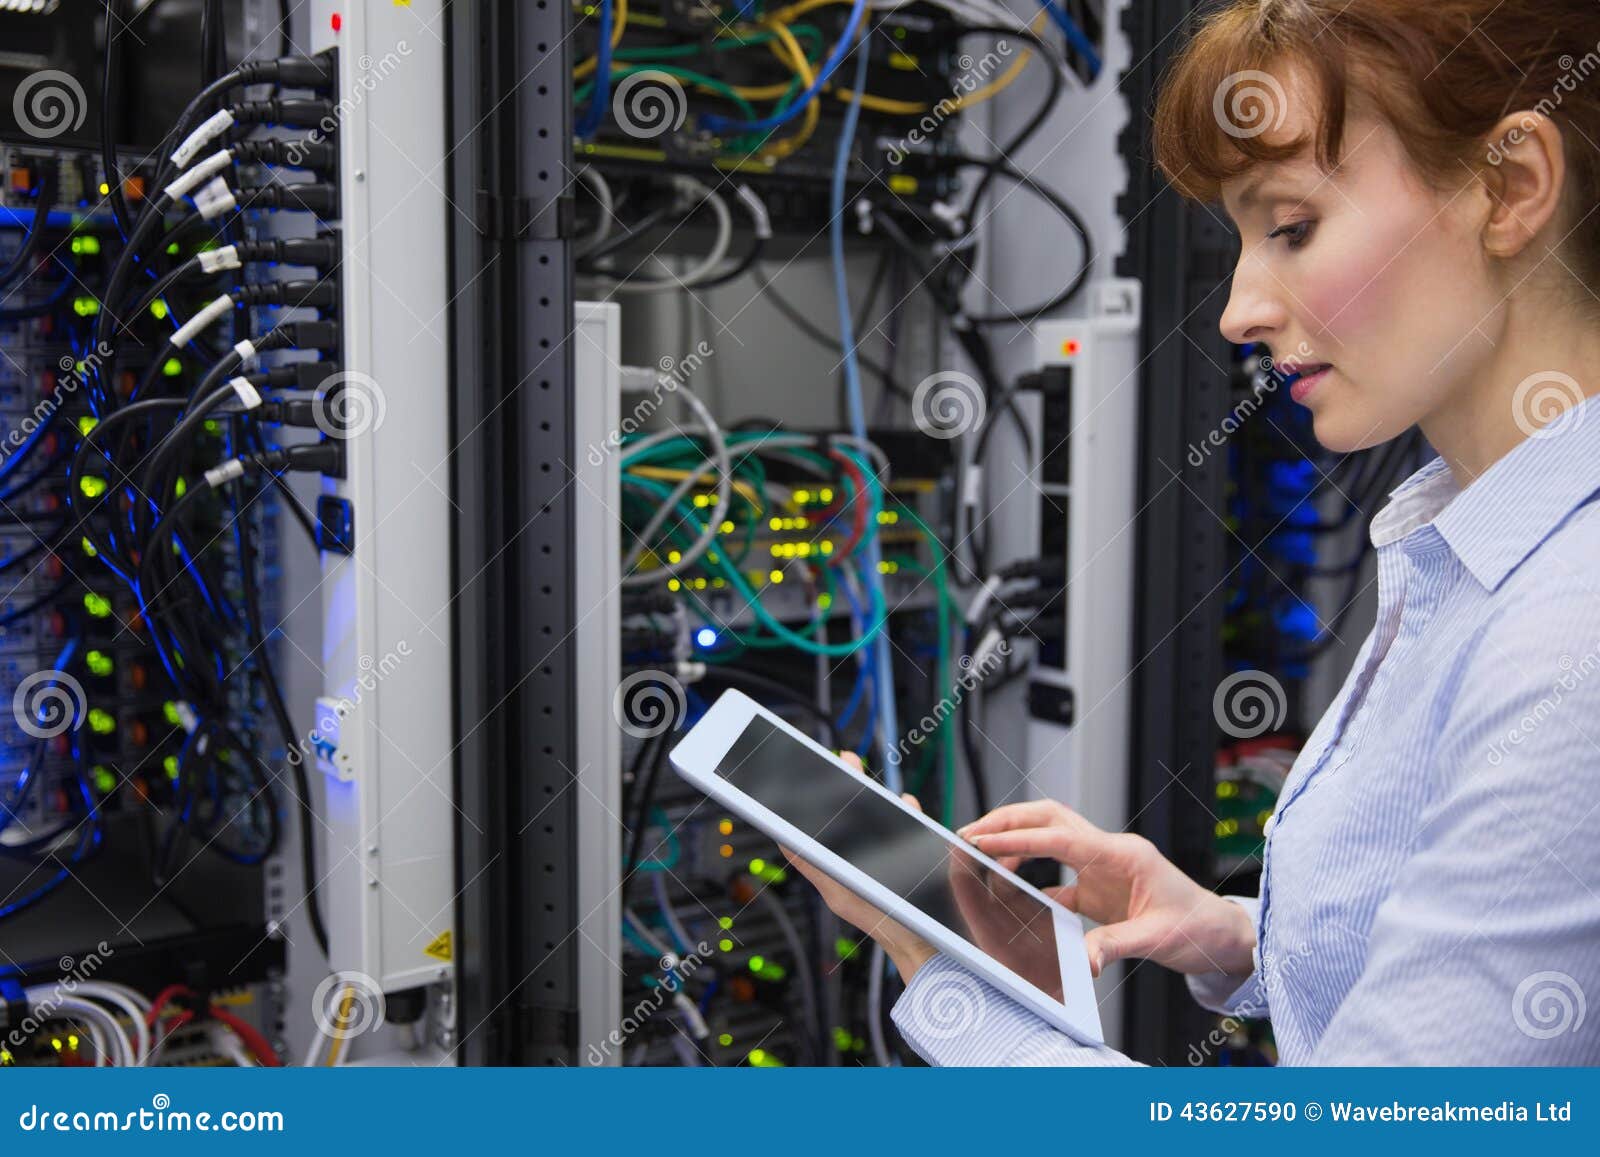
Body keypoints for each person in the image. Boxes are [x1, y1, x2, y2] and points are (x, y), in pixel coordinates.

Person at [786, 0, 1600, 1065]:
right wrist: (1234, 933)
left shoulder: (1567, 634)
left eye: (1292, 226)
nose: (1238, 309)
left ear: (1510, 185)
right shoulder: (1470, 535)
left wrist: (949, 984)